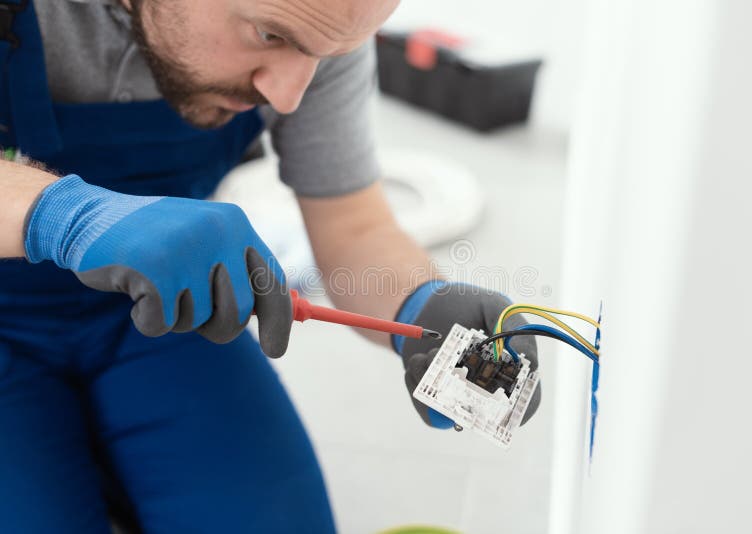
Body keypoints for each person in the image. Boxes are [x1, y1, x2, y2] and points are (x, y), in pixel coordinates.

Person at [0, 0, 541, 531]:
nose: (288, 95)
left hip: (172, 310)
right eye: (268, 36)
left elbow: (353, 225)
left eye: (325, 56)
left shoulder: (323, 22)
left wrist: (421, 304)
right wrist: (65, 216)